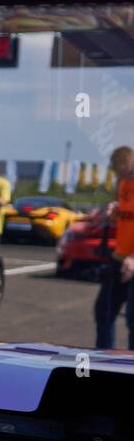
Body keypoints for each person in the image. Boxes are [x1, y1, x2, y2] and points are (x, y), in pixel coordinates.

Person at [94, 145, 134, 350]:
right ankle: (104, 359)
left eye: (123, 170)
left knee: (132, 320)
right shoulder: (123, 182)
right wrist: (115, 208)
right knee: (104, 311)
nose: (120, 175)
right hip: (119, 259)